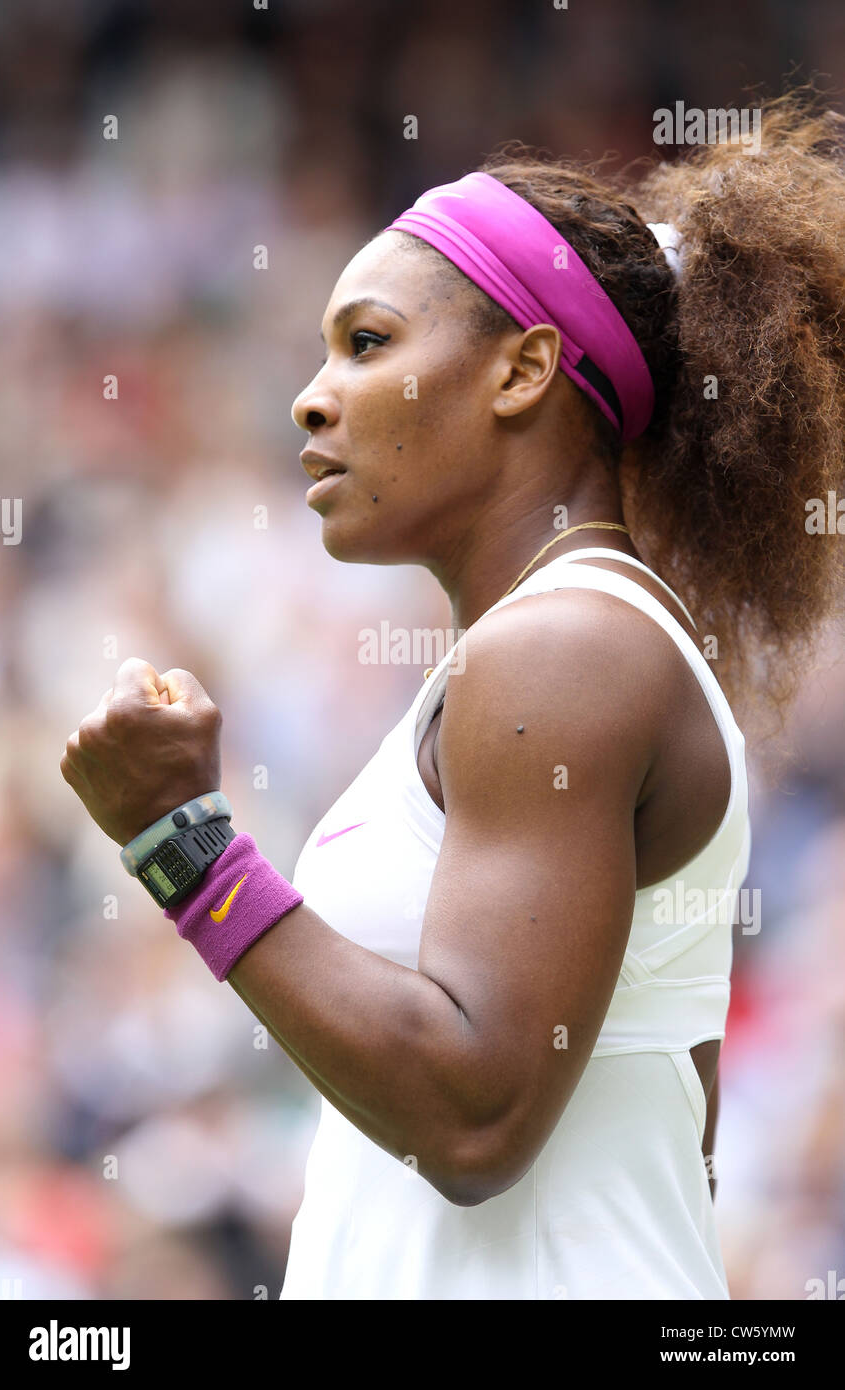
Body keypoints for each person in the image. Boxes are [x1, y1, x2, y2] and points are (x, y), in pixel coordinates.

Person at [60, 91, 845, 1299]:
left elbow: (474, 1118)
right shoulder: (555, 643)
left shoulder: (563, 650)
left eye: (367, 344)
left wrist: (180, 841)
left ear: (523, 370)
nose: (311, 398)